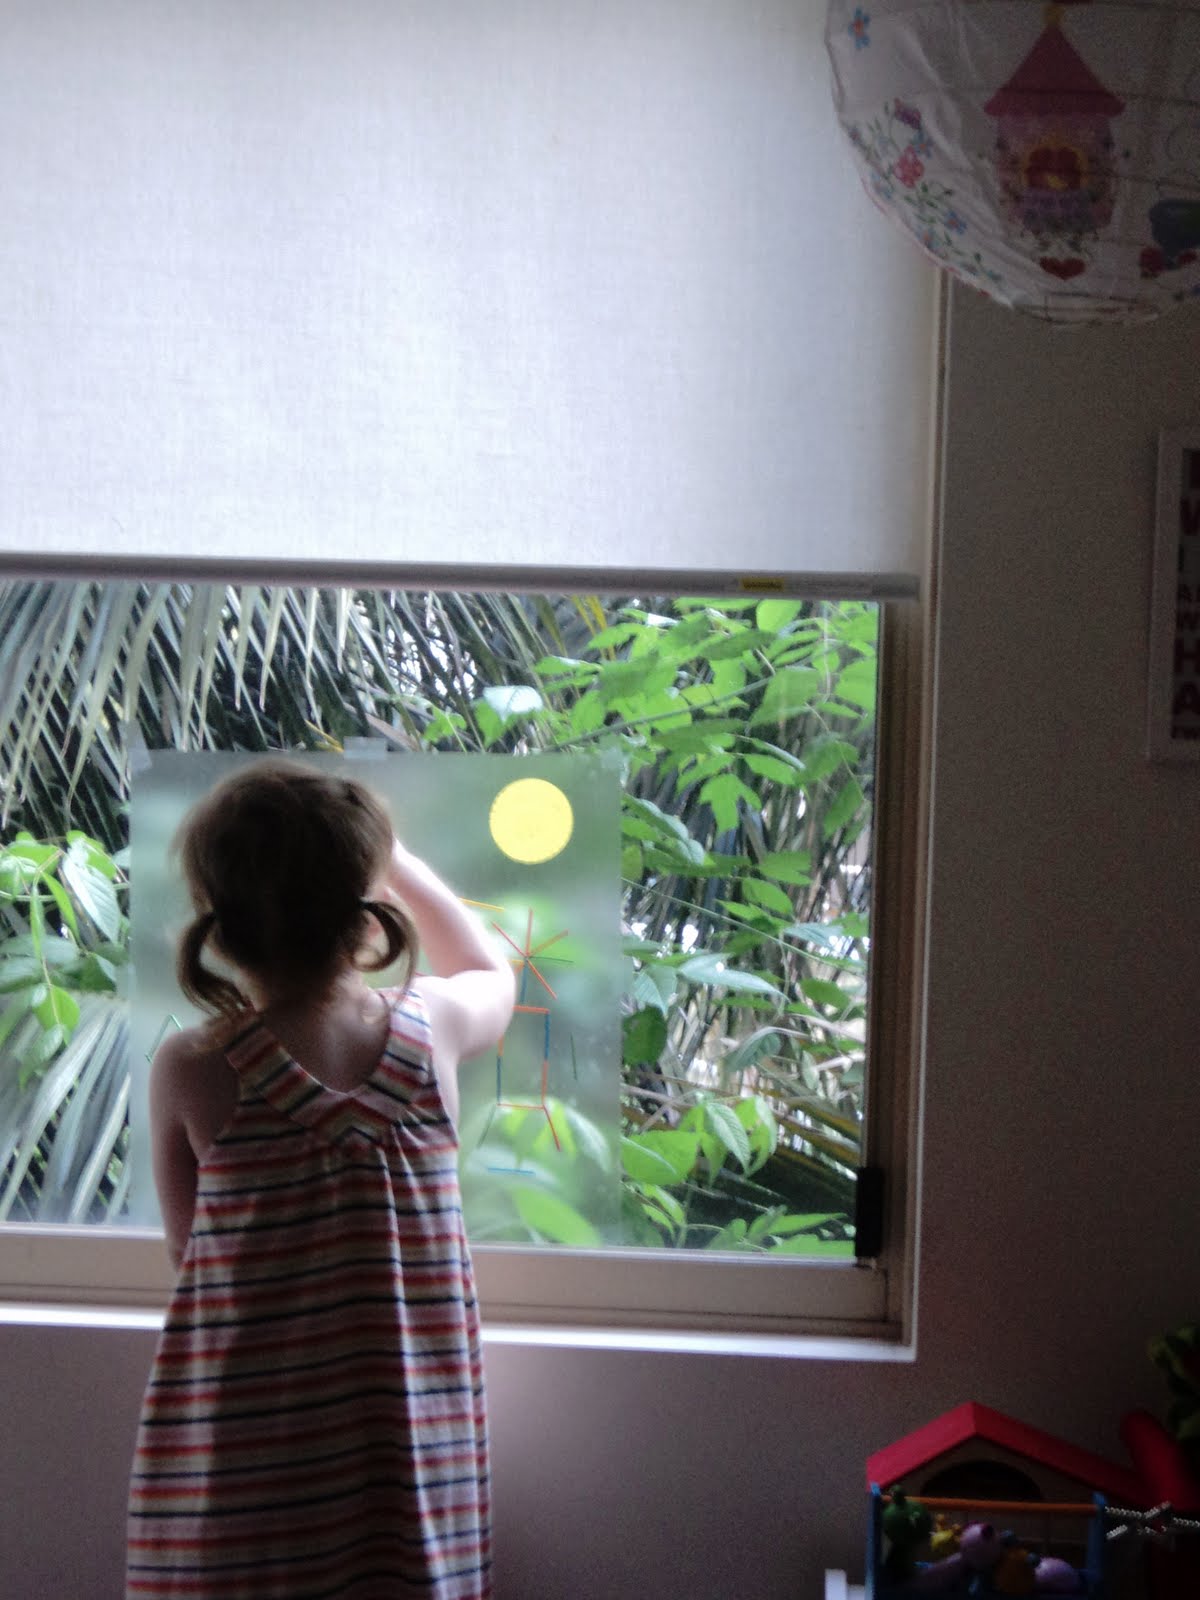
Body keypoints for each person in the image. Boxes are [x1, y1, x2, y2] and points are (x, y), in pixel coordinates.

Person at [126, 758, 515, 1600]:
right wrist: (397, 857)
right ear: (366, 911)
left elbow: (189, 1254)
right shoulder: (432, 1030)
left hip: (249, 1485)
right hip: (405, 1466)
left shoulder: (197, 1066)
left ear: (218, 924)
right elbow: (493, 973)